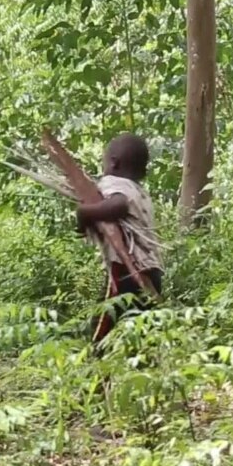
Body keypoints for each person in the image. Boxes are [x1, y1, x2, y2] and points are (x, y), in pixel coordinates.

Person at [75, 133, 164, 345]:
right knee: (139, 331)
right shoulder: (141, 193)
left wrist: (84, 214)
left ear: (114, 163)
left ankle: (96, 365)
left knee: (102, 329)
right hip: (152, 272)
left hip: (126, 269)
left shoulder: (115, 183)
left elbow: (117, 206)